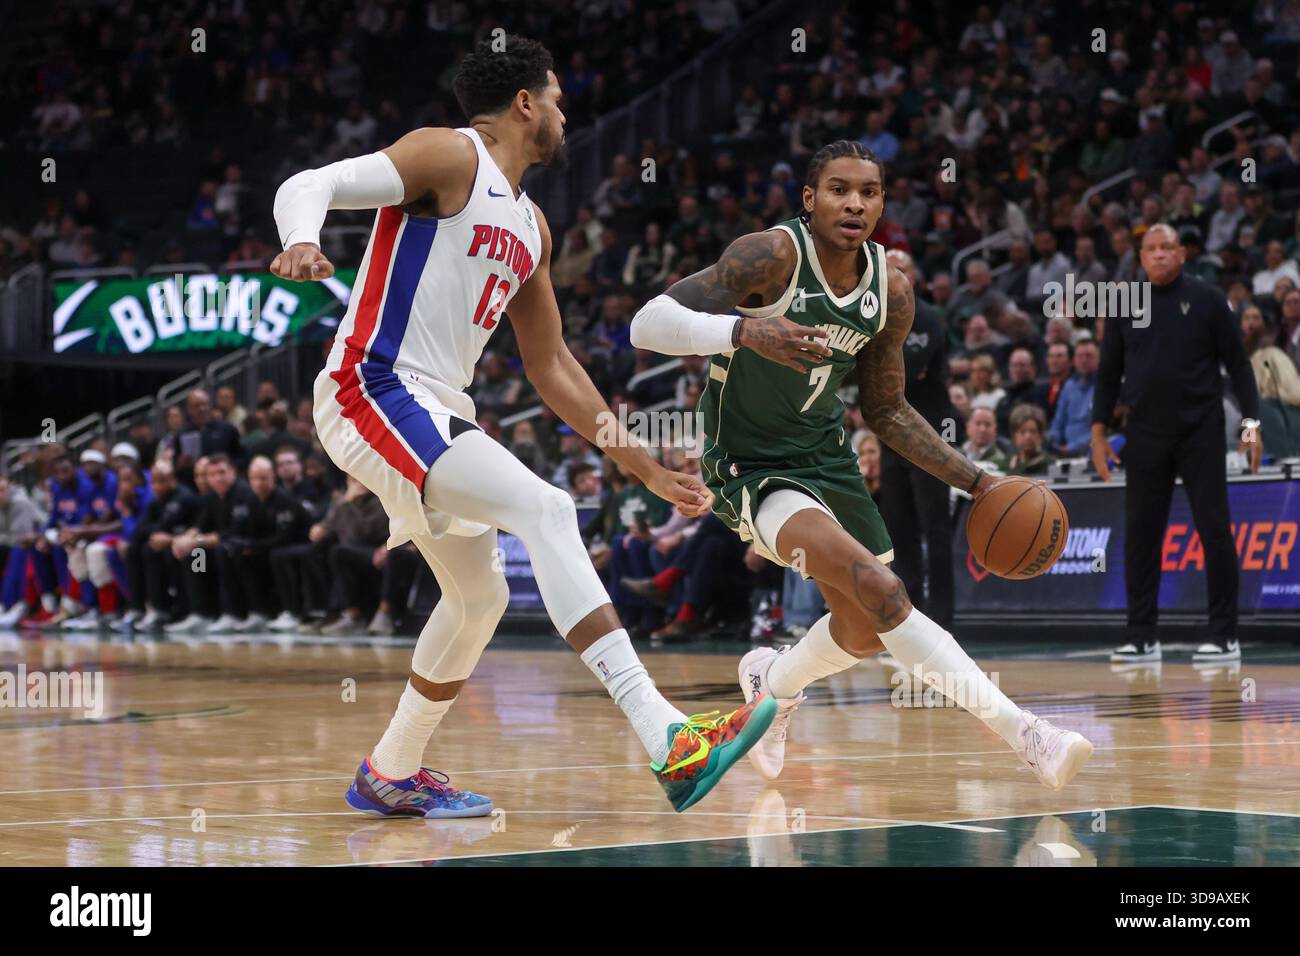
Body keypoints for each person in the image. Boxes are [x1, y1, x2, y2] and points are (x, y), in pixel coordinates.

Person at [270, 36, 773, 817]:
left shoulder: (533, 225)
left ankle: (391, 770)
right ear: (525, 104)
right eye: (559, 97)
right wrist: (301, 239)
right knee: (545, 509)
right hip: (372, 383)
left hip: (435, 405)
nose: (567, 113)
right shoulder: (449, 155)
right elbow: (312, 182)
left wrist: (640, 464)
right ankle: (666, 734)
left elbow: (553, 367)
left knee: (478, 600)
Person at [630, 140, 1093, 790]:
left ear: (882, 202)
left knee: (864, 631)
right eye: (839, 189)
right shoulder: (768, 254)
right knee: (882, 592)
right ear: (809, 198)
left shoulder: (890, 292)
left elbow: (889, 411)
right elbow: (646, 324)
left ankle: (775, 680)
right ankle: (1027, 733)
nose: (855, 202)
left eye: (869, 192)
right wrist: (742, 331)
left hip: (827, 458)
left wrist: (980, 481)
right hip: (750, 463)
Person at [1092, 225, 1261, 665]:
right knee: (1140, 535)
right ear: (1141, 257)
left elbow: (1239, 366)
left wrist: (1250, 423)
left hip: (1200, 429)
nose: (1160, 255)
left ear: (1182, 254)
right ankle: (1142, 635)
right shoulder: (1124, 304)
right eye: (1152, 249)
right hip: (1145, 431)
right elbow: (1108, 374)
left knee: (1215, 530)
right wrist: (1097, 431)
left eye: (1168, 247)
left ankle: (1224, 635)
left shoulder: (1207, 298)